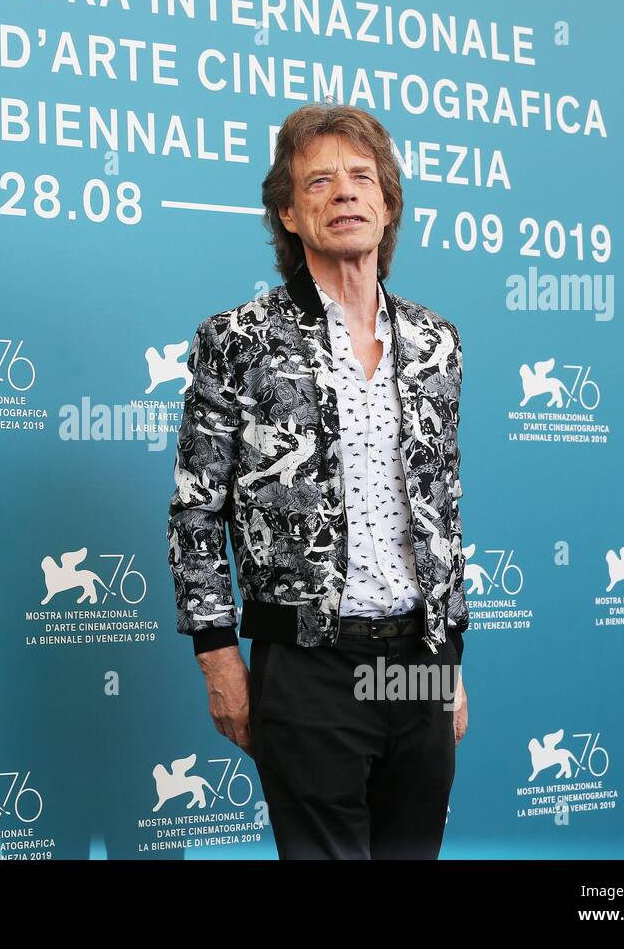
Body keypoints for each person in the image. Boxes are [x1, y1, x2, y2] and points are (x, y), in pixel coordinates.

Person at [166, 102, 470, 859]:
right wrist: (217, 657)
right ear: (289, 215)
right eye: (320, 181)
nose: (345, 193)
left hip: (417, 661)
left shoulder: (436, 342)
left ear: (389, 204)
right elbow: (195, 511)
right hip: (309, 668)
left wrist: (450, 660)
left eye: (362, 178)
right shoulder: (237, 338)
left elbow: (443, 505)